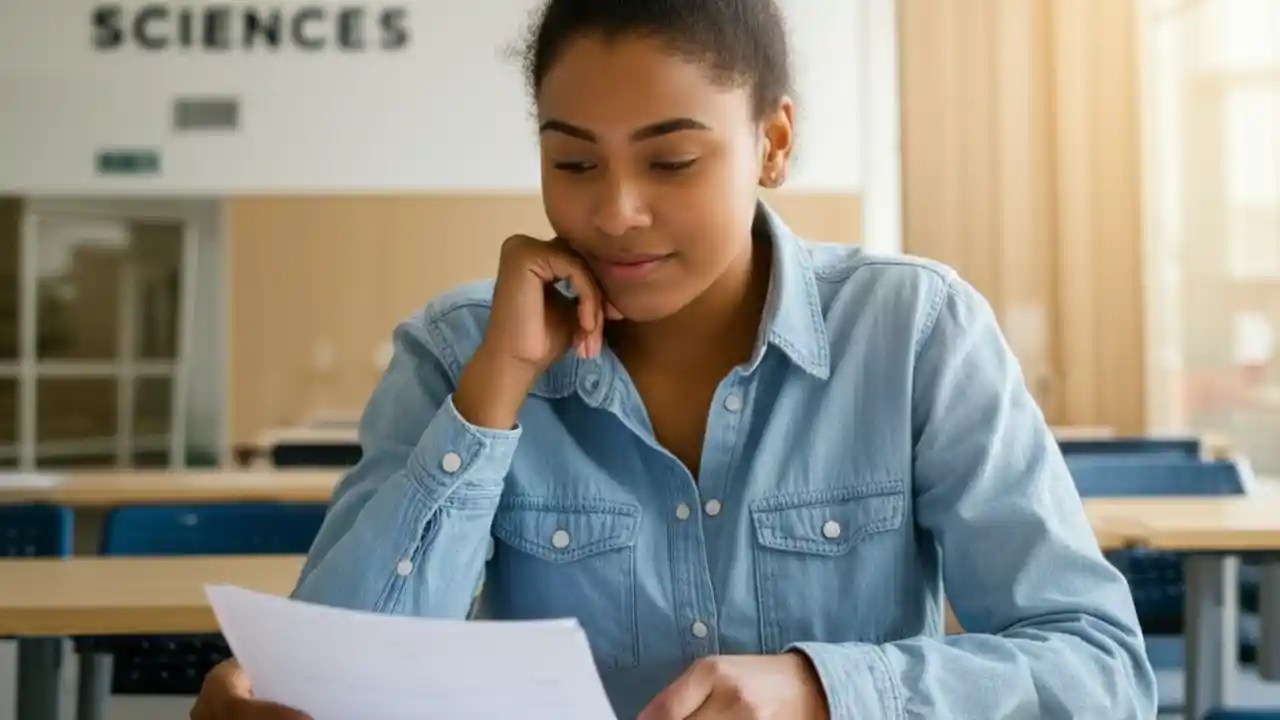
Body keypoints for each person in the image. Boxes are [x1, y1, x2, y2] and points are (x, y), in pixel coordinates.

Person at [190, 0, 1157, 718]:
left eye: (672, 161)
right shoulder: (457, 352)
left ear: (773, 143)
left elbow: (1100, 668)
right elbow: (335, 683)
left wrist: (829, 693)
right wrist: (493, 397)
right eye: (572, 163)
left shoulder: (914, 331)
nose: (613, 212)